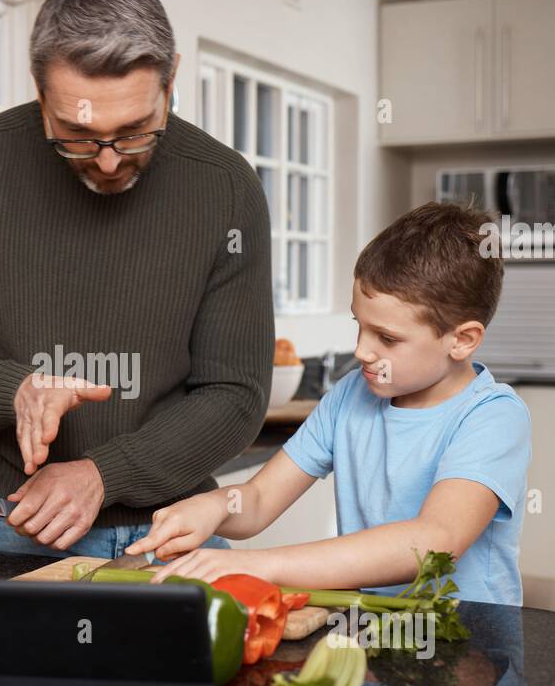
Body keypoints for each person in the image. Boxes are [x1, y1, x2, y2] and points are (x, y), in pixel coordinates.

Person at [0, 0, 273, 556]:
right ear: (40, 95)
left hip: (175, 530)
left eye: (136, 132)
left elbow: (234, 392)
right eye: (78, 134)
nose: (111, 162)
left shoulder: (226, 188)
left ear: (172, 80)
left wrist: (103, 474)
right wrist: (14, 391)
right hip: (17, 529)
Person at [133, 200, 533, 609]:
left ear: (462, 339)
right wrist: (214, 507)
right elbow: (257, 501)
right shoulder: (350, 395)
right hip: (372, 630)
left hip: (470, 639)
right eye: (359, 326)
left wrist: (262, 566)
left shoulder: (492, 416)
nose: (360, 350)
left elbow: (434, 540)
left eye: (388, 338)